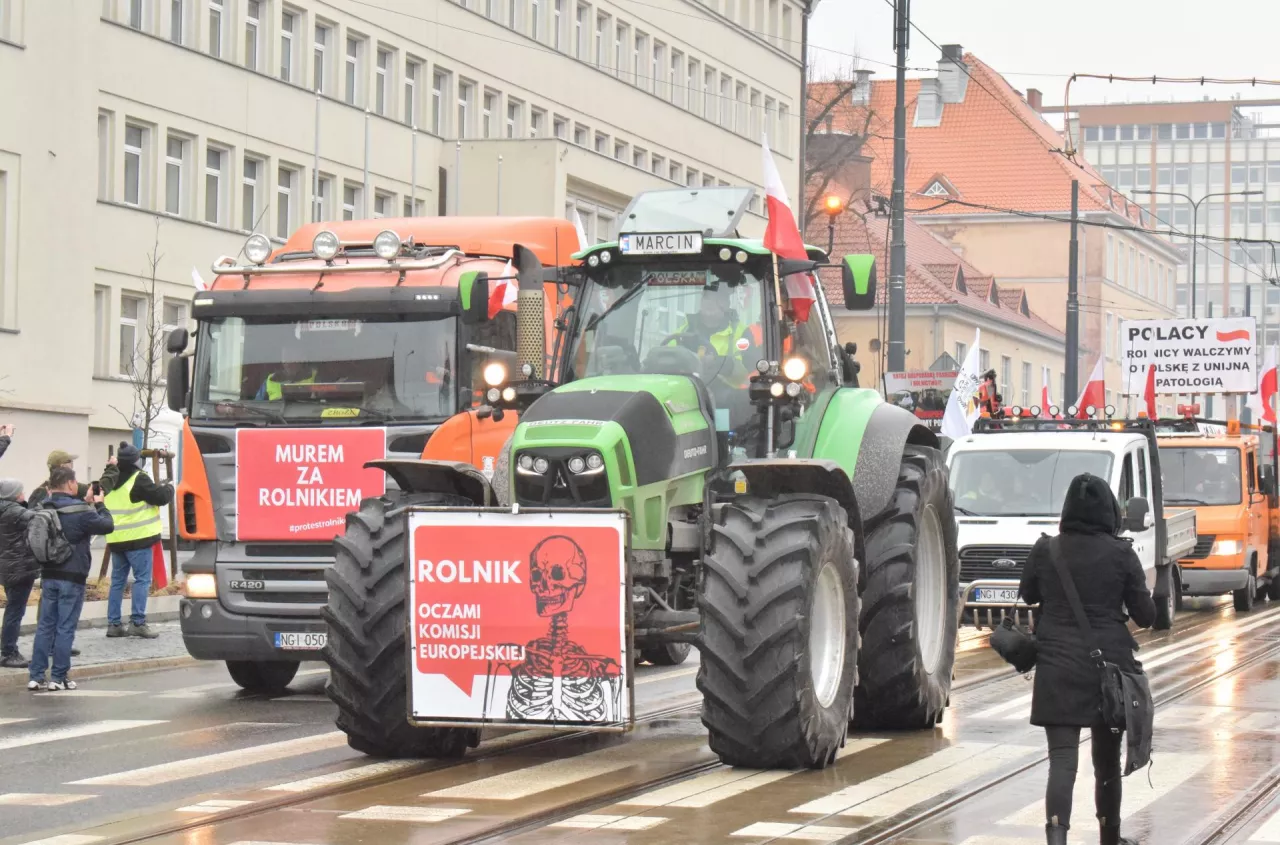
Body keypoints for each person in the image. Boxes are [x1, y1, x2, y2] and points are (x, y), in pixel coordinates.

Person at [1019, 473, 1156, 845]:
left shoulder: (1046, 549)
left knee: (1062, 761)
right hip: (1107, 674)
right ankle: (1110, 839)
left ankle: (1056, 841)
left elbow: (1028, 594)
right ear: (1109, 511)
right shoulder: (1122, 554)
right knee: (1106, 762)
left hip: (1056, 667)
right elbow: (1146, 616)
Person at [28, 467, 114, 692]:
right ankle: (59, 677)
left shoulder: (43, 507)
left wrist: (86, 503)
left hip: (48, 575)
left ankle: (36, 676)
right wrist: (99, 504)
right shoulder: (81, 512)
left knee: (45, 626)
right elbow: (107, 525)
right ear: (69, 484)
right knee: (65, 627)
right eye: (75, 482)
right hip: (72, 577)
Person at [101, 442, 173, 639]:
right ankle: (138, 622)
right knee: (142, 580)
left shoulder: (109, 479)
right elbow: (160, 497)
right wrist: (169, 487)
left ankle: (114, 624)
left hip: (116, 539)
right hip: (138, 539)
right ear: (136, 461)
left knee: (117, 582)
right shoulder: (138, 478)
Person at [0, 478, 38, 668]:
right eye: (21, 490)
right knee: (15, 611)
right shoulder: (15, 511)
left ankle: (9, 650)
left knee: (13, 609)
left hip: (8, 568)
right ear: (14, 494)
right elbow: (38, 519)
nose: (24, 493)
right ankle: (8, 652)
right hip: (19, 568)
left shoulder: (5, 509)